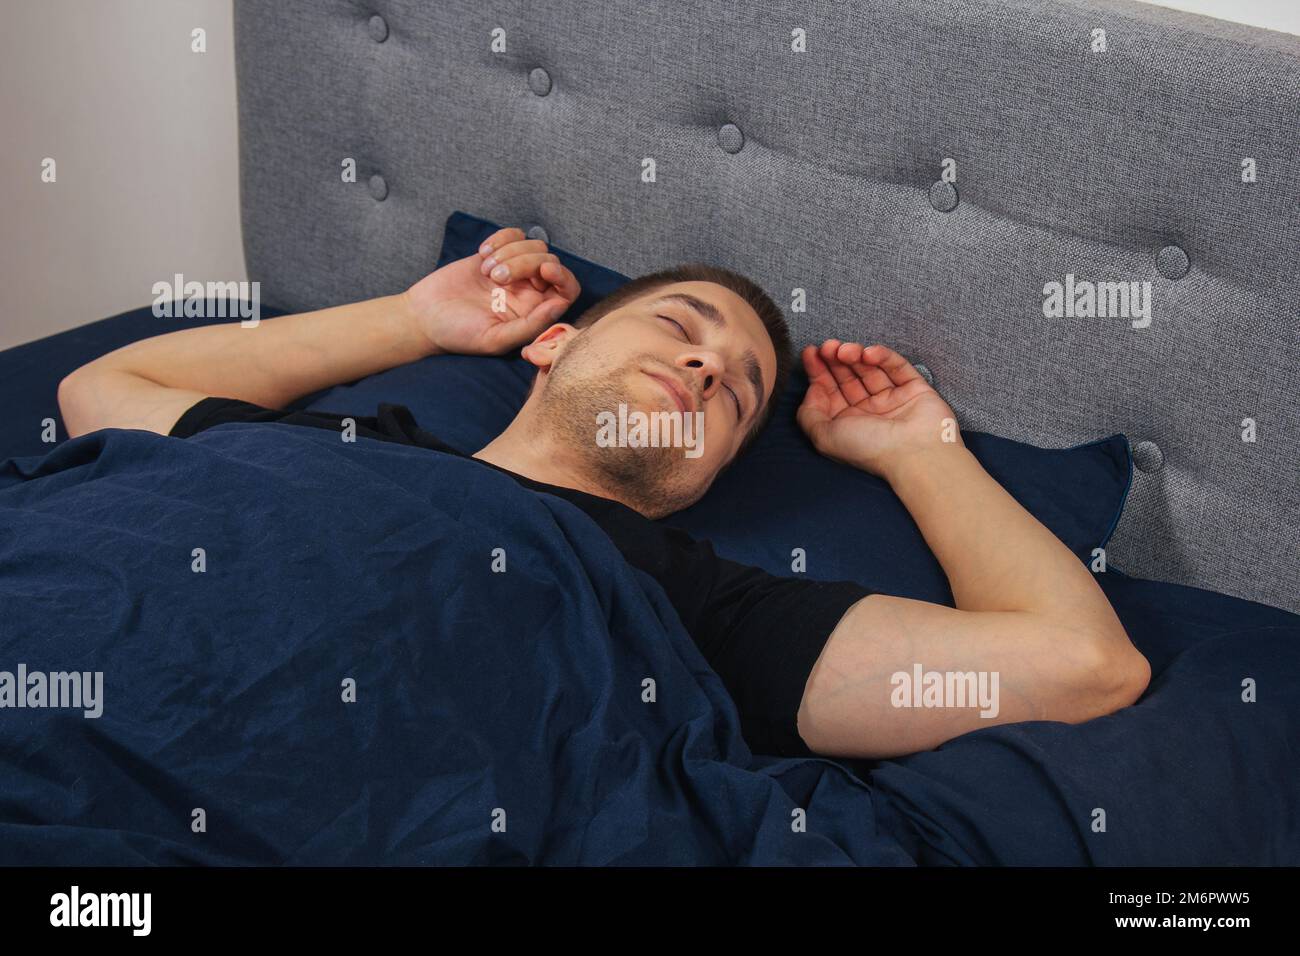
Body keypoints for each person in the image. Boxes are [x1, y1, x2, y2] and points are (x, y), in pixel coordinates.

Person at [57, 227, 1150, 760]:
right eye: (678, 329)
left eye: (737, 395)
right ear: (553, 344)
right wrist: (416, 318)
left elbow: (1085, 666)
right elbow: (106, 387)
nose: (708, 368)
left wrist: (920, 449)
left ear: (706, 477)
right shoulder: (348, 448)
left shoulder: (695, 605)